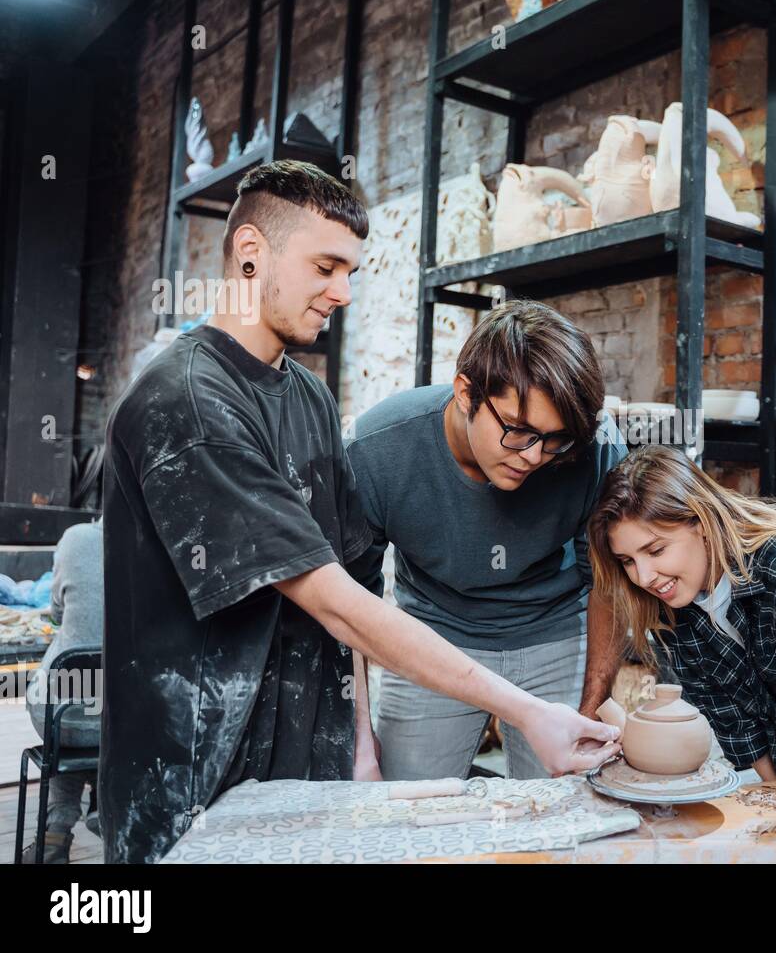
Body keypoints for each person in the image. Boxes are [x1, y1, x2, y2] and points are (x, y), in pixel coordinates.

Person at [99, 160, 618, 864]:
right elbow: (336, 601)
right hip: (197, 766)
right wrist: (524, 711)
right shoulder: (187, 400)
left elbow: (355, 586)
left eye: (351, 272)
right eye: (325, 267)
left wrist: (359, 748)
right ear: (251, 253)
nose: (342, 293)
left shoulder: (309, 399)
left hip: (297, 758)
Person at [345, 300, 627, 780]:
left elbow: (607, 583)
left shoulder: (592, 449)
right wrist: (361, 747)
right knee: (405, 821)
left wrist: (590, 707)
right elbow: (349, 603)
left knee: (559, 818)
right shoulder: (377, 449)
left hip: (553, 633)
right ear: (465, 392)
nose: (535, 456)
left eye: (553, 439)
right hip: (433, 644)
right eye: (518, 431)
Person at [586, 445, 776, 781]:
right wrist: (775, 804)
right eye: (627, 561)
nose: (644, 576)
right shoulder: (671, 604)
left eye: (656, 550)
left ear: (703, 524)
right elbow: (739, 731)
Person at [19, 521, 102, 863]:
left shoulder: (75, 537)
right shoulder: (156, 544)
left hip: (58, 714)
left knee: (66, 716)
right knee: (99, 720)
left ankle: (54, 836)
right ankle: (104, 799)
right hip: (123, 719)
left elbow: (56, 613)